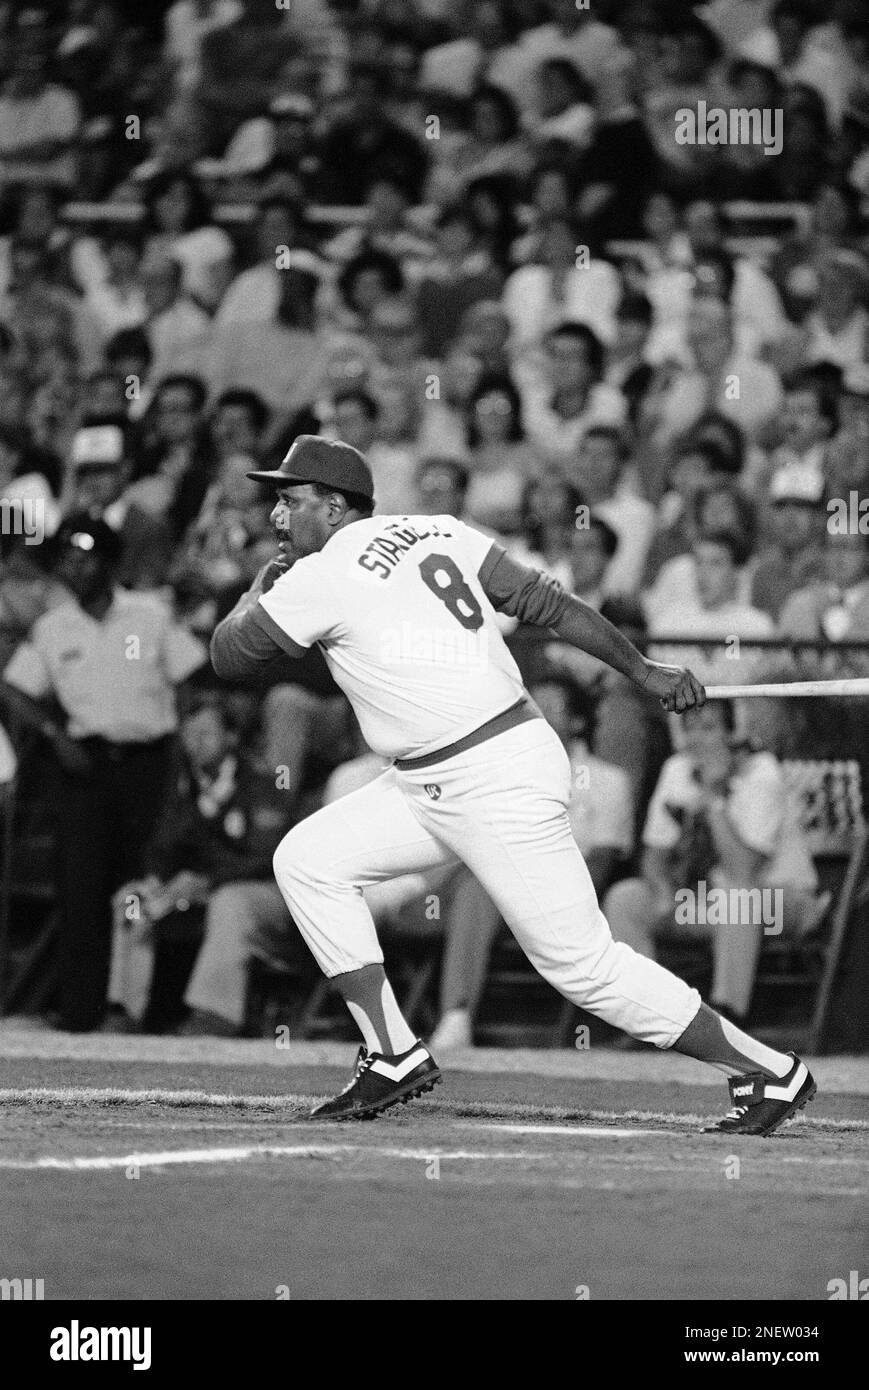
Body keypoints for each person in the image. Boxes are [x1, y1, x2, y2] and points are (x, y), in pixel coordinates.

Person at [208, 433, 816, 1134]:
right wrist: (643, 671)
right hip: (439, 776)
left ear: (337, 508)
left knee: (584, 968)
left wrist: (259, 588)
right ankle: (391, 1051)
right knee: (308, 861)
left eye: (291, 500)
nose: (278, 517)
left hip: (488, 776)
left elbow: (228, 656)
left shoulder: (321, 575)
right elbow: (547, 604)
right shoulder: (434, 528)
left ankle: (768, 1070)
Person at [0, 513, 206, 1030]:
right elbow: (15, 688)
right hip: (84, 765)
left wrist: (186, 759)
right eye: (68, 554)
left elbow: (188, 681)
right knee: (82, 888)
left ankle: (142, 1011)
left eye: (87, 553)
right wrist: (54, 735)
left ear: (111, 561)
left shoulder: (150, 615)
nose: (76, 563)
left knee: (144, 884)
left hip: (149, 762)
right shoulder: (52, 628)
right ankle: (80, 1012)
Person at [431, 674, 634, 1050]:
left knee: (488, 884)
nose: (534, 713)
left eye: (550, 706)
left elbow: (603, 865)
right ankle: (456, 1017)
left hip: (563, 892)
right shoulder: (495, 772)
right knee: (478, 885)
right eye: (528, 704)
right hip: (496, 888)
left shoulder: (608, 780)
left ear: (578, 722)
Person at [604, 699, 824, 1025]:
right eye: (689, 728)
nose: (696, 738)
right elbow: (653, 854)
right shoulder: (677, 769)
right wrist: (662, 889)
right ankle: (649, 1016)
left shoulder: (762, 772)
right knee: (626, 898)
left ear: (734, 734)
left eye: (708, 728)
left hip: (781, 903)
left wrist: (714, 797)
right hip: (703, 901)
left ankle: (726, 1021)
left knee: (739, 898)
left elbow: (743, 871)